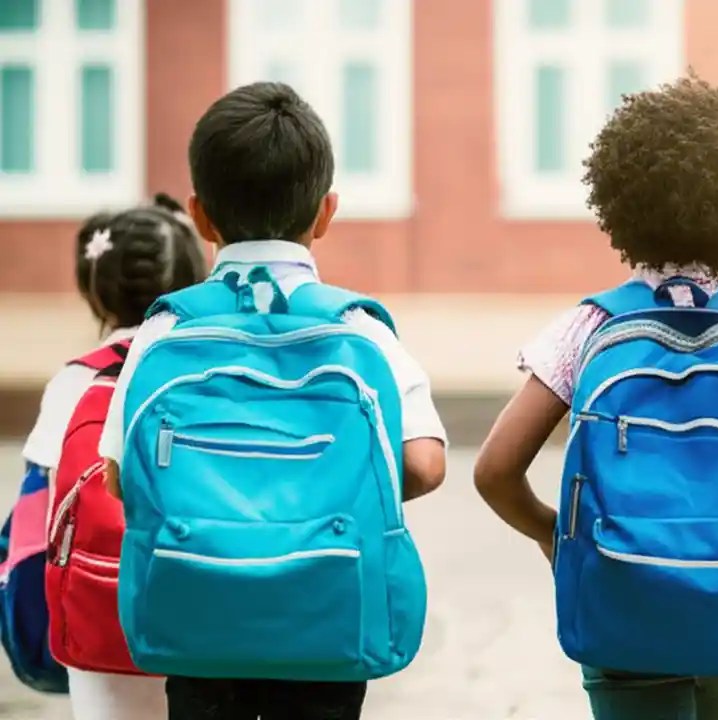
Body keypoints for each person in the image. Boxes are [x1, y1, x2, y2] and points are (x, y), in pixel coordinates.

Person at [473, 75, 718, 720]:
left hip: (620, 593)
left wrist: (558, 536)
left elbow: (495, 471)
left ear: (620, 203)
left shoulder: (589, 327)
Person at [96, 82, 448, 720]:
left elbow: (120, 476)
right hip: (329, 619)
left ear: (200, 216)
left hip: (197, 626)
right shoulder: (361, 331)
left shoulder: (164, 332)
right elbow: (423, 465)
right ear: (325, 212)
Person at [8, 195, 207, 717]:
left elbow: (40, 508)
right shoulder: (207, 373)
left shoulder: (74, 383)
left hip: (100, 618)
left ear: (97, 294)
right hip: (204, 607)